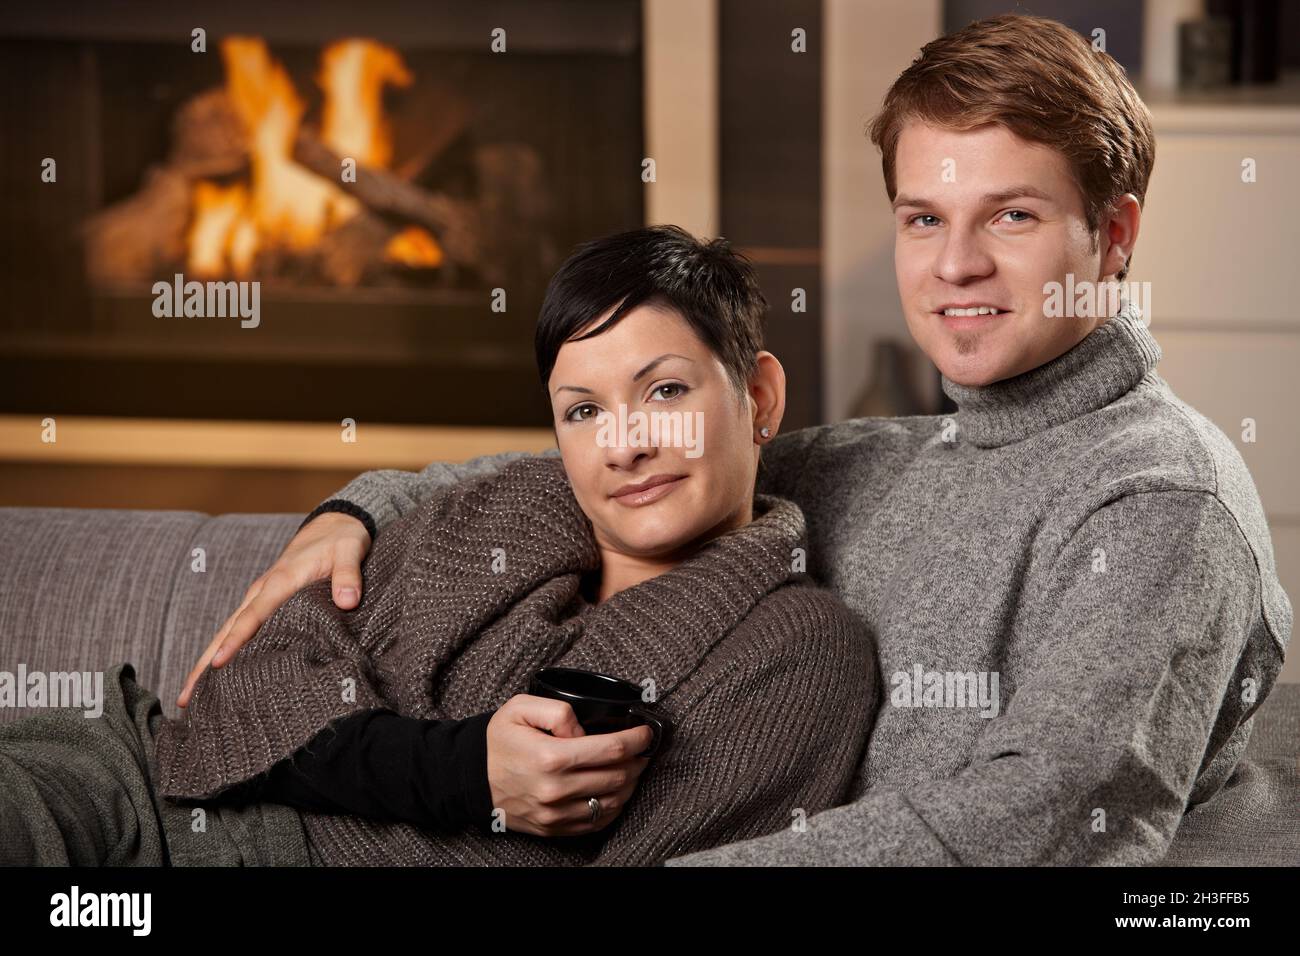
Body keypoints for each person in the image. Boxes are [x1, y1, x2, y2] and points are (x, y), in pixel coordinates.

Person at [183, 13, 1291, 866]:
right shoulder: (894, 460)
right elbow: (630, 452)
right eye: (921, 217)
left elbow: (1048, 815)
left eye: (1010, 215)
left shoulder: (1159, 497)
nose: (953, 265)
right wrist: (363, 505)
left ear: (1112, 234)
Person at [2, 225, 876, 867]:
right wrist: (462, 773)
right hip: (129, 779)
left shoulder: (800, 652)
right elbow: (244, 692)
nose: (623, 445)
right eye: (582, 410)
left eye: (666, 390)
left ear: (759, 397)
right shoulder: (502, 511)